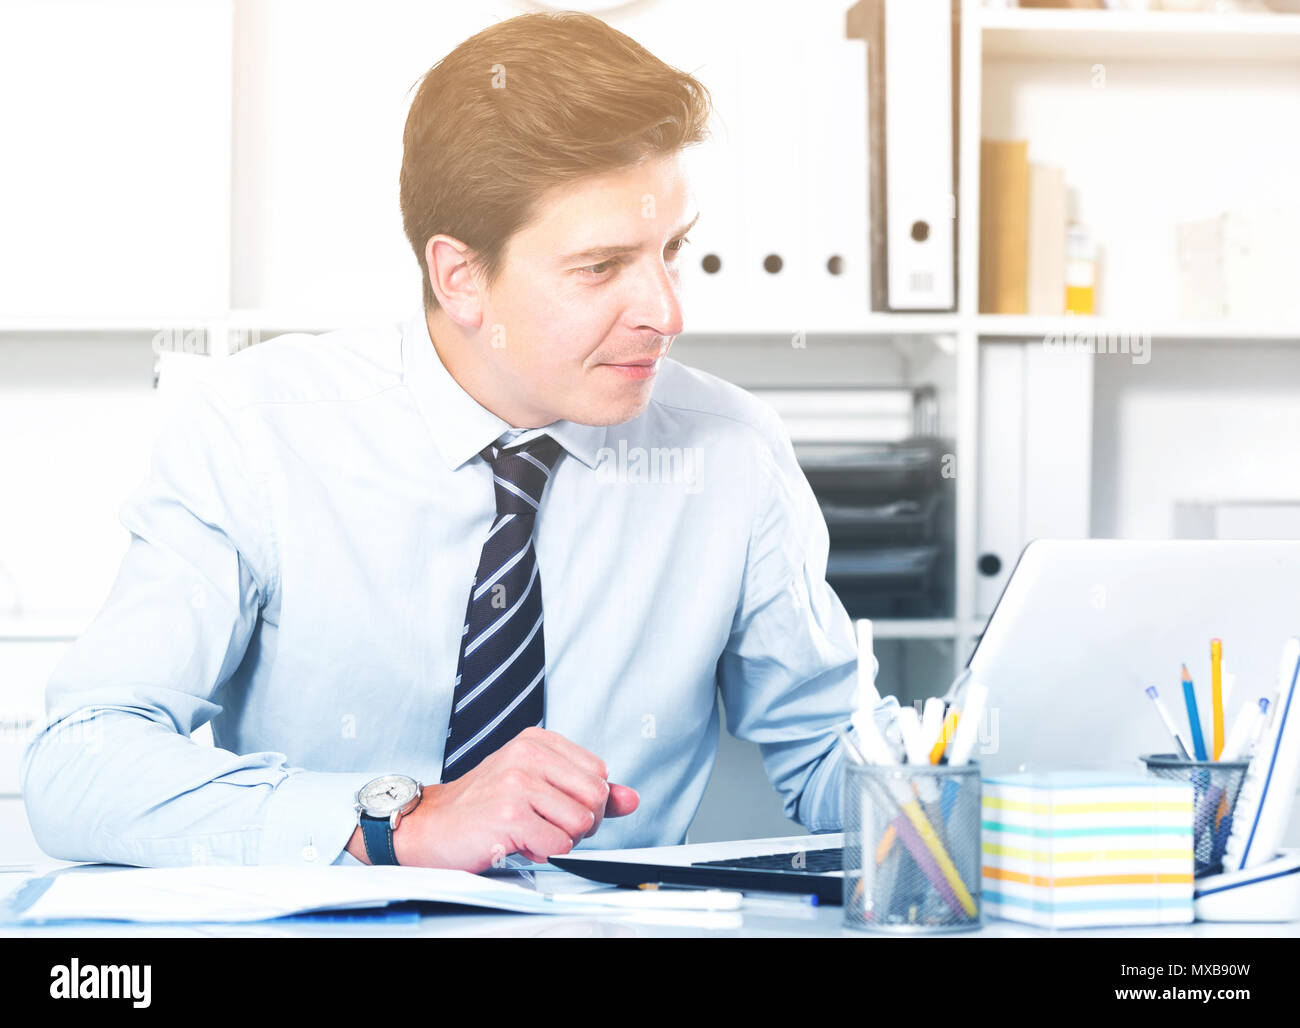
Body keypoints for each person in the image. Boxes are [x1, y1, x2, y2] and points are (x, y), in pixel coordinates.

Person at [21, 10, 895, 872]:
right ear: (461, 276)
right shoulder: (258, 431)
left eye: (674, 249)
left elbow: (831, 757)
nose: (668, 312)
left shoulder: (731, 455)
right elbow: (81, 763)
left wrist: (952, 781)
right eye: (600, 267)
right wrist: (399, 824)